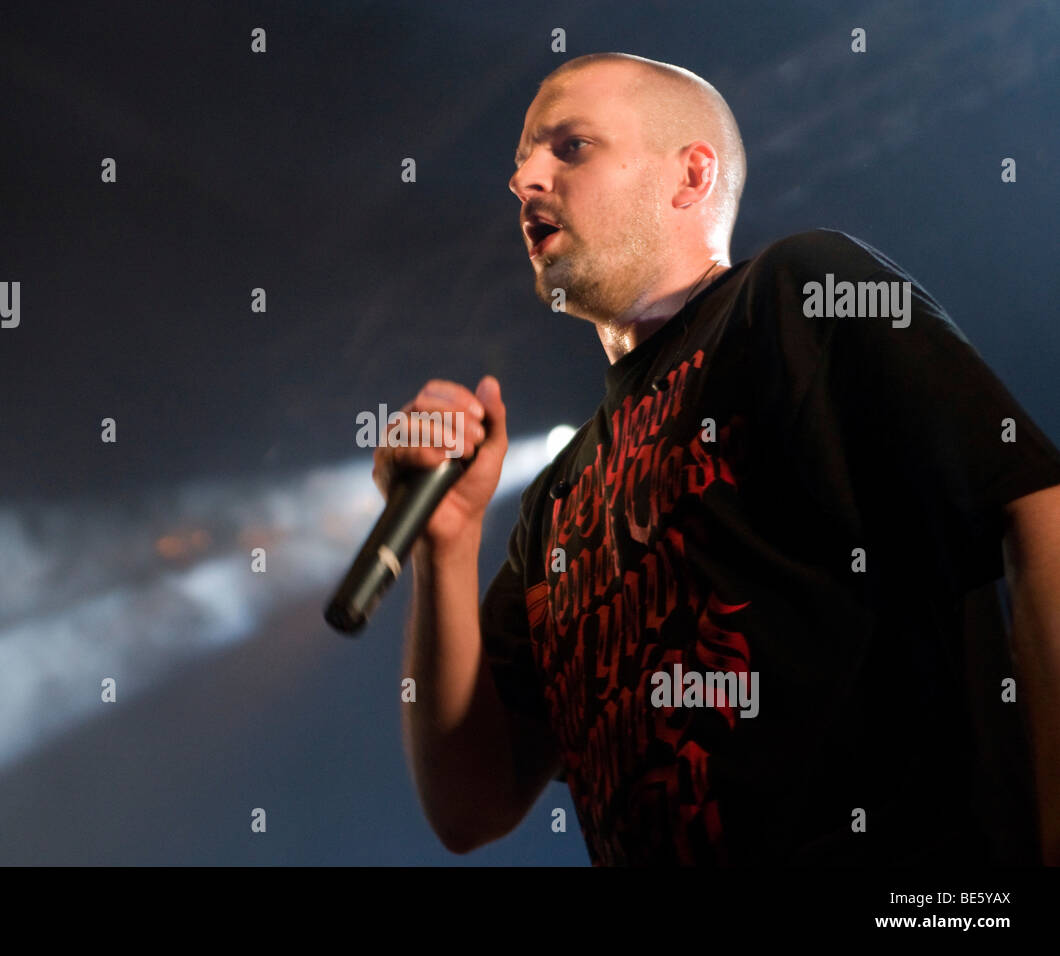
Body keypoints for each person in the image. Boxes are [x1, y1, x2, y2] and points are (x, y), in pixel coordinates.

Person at [371, 52, 1060, 865]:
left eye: (570, 146)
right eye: (522, 157)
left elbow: (1037, 508)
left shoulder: (796, 293)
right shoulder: (556, 497)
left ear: (690, 175)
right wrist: (445, 550)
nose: (524, 177)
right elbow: (470, 809)